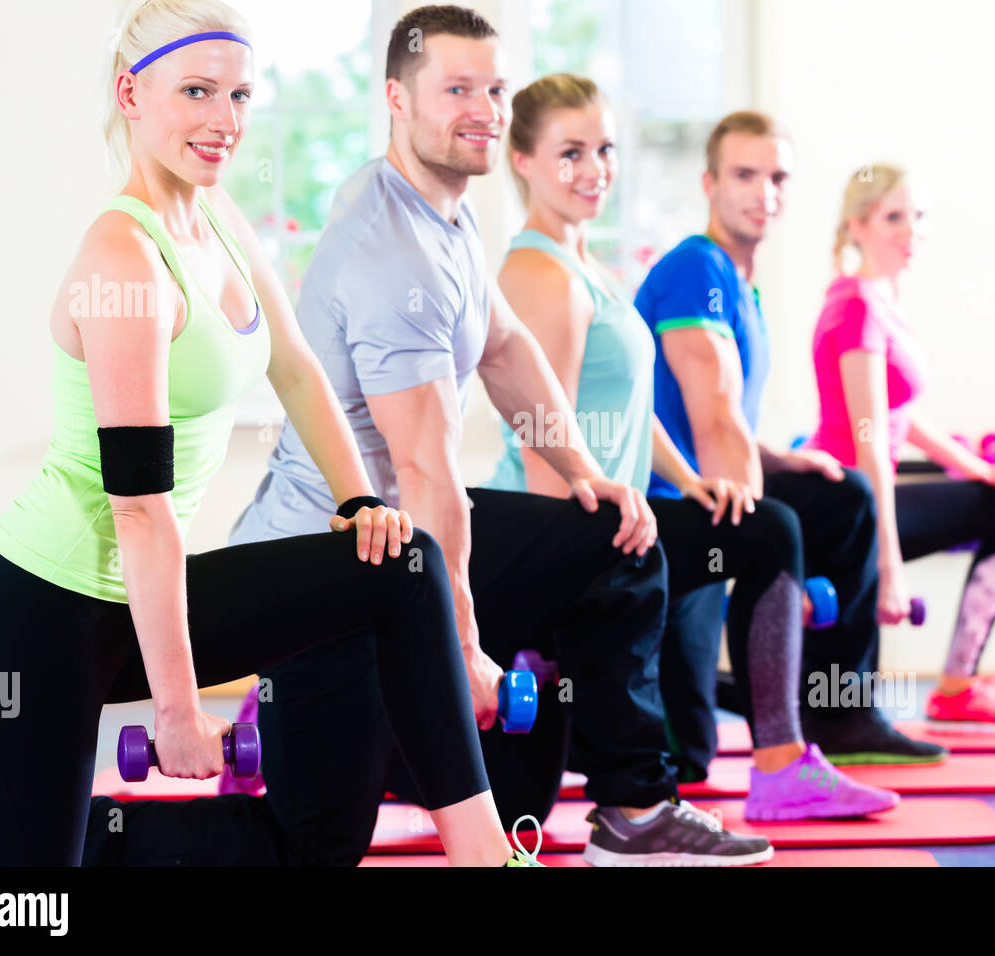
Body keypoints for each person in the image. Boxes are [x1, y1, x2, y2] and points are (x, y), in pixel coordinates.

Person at [0, 0, 528, 868]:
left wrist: (360, 502)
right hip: (32, 613)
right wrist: (176, 705)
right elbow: (139, 510)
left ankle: (488, 857)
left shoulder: (218, 222)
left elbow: (299, 372)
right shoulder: (121, 260)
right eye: (199, 92)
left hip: (140, 596)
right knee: (27, 903)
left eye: (241, 97)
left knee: (402, 564)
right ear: (131, 94)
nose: (225, 121)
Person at [225, 5, 773, 866]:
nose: (482, 108)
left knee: (615, 537)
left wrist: (588, 473)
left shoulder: (447, 216)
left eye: (493, 88)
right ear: (397, 99)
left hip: (391, 544)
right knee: (309, 843)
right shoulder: (393, 250)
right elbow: (424, 468)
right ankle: (27, 844)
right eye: (456, 89)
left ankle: (630, 806)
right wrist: (465, 652)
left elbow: (506, 350)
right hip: (325, 560)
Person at [486, 72, 900, 821]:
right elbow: (542, 431)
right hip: (570, 523)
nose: (593, 169)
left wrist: (690, 481)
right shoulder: (539, 273)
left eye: (604, 150)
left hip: (615, 519)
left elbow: (631, 412)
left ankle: (780, 764)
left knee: (763, 528)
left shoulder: (592, 270)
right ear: (523, 161)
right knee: (519, 802)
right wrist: (556, 576)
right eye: (569, 153)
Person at [635, 112, 948, 769]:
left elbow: (721, 424)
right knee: (684, 757)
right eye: (745, 175)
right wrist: (765, 548)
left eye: (777, 177)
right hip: (660, 510)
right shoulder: (698, 269)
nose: (764, 192)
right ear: (710, 184)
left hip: (710, 488)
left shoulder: (741, 285)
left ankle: (841, 715)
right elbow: (715, 421)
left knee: (840, 494)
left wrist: (779, 461)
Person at [806, 163, 995, 731]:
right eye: (893, 217)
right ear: (857, 226)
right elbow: (869, 440)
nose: (909, 230)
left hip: (855, 496)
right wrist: (888, 566)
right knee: (834, 704)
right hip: (844, 502)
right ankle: (956, 689)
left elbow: (899, 418)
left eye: (916, 216)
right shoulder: (860, 304)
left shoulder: (877, 299)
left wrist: (982, 471)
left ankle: (958, 688)